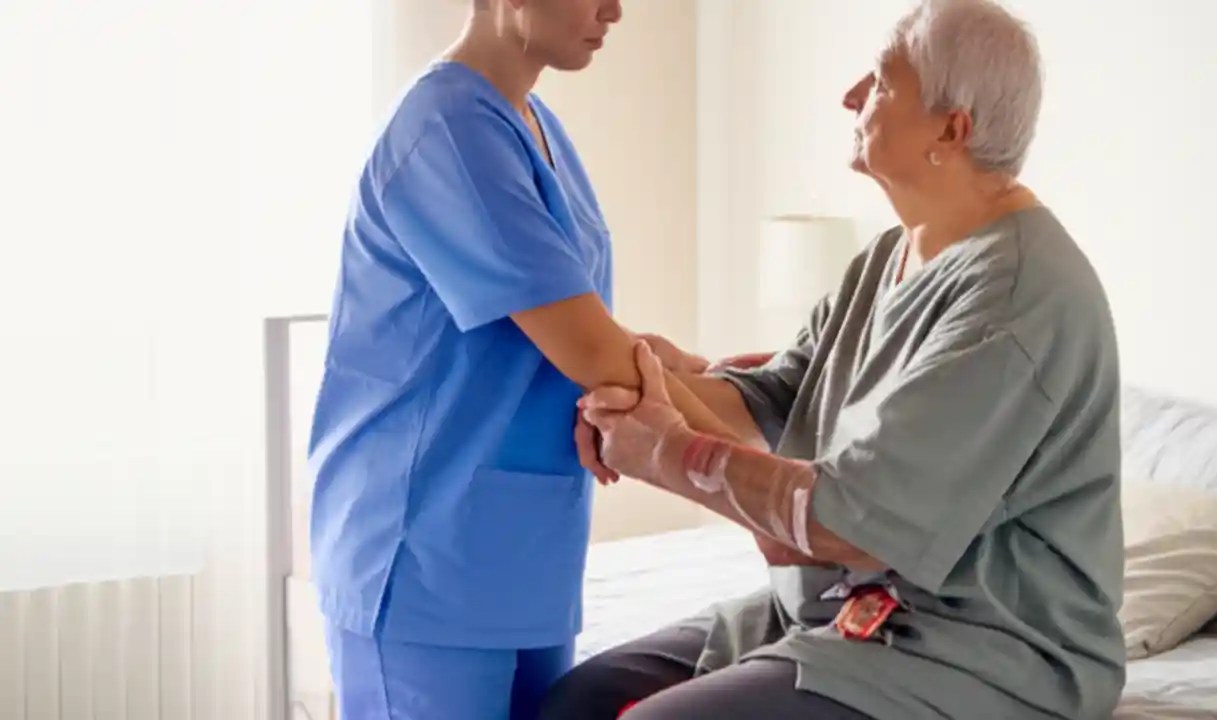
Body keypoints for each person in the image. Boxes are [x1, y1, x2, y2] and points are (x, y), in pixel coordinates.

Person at [543, 1, 1127, 718]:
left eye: (882, 82)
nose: (851, 96)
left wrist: (664, 453)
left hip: (977, 651)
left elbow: (843, 524)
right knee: (577, 702)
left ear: (953, 128)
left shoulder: (1019, 297)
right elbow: (779, 396)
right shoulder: (890, 256)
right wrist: (653, 378)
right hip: (843, 614)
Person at [306, 1, 724, 718]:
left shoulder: (528, 121)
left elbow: (569, 323)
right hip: (423, 550)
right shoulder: (448, 128)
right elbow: (590, 349)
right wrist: (770, 473)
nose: (614, 10)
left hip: (519, 549)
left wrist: (666, 366)